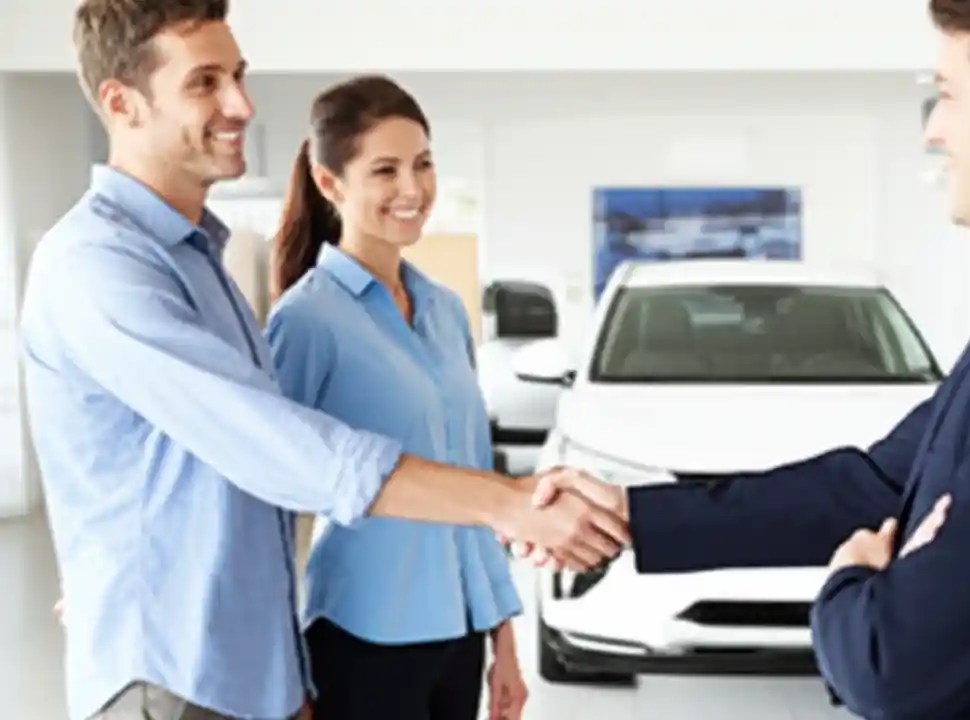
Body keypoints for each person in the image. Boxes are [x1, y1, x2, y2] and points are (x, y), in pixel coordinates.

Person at [522, 0, 970, 717]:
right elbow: (880, 482)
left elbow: (893, 664)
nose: (933, 130)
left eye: (947, 95)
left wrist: (850, 581)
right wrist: (632, 515)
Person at [20, 3, 623, 719]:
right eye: (205, 82)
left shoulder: (202, 262)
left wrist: (286, 677)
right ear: (122, 104)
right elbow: (282, 451)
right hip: (176, 677)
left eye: (238, 76)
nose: (242, 105)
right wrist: (515, 503)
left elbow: (240, 496)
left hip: (245, 677)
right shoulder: (98, 264)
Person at [267, 75, 526, 720]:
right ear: (330, 184)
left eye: (423, 164)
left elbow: (475, 483)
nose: (412, 189)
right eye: (385, 170)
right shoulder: (307, 319)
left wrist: (503, 637)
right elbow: (270, 503)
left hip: (459, 634)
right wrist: (279, 672)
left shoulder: (445, 310)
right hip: (362, 638)